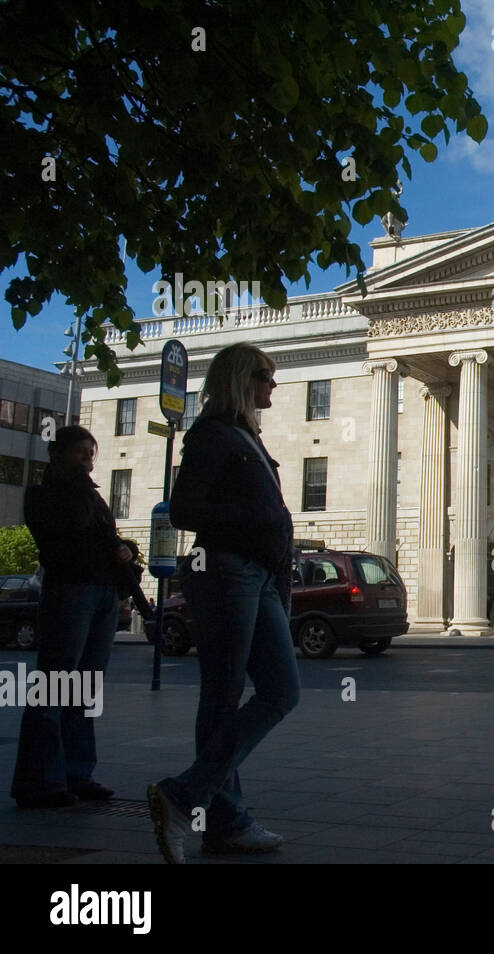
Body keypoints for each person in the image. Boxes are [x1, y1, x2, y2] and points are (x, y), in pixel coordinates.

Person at [147, 343, 300, 863]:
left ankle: (189, 797)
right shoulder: (212, 434)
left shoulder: (248, 437)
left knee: (281, 690)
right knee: (223, 696)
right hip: (226, 571)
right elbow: (185, 507)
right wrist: (257, 520)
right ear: (240, 377)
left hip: (258, 575)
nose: (272, 387)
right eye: (265, 376)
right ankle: (223, 820)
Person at [11, 425, 137, 808]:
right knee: (55, 684)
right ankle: (40, 780)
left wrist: (126, 550)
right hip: (71, 590)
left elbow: (107, 540)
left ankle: (77, 772)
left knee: (84, 687)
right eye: (81, 452)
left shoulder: (90, 496)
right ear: (59, 454)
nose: (88, 459)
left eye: (90, 452)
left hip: (100, 592)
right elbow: (68, 537)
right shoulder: (47, 495)